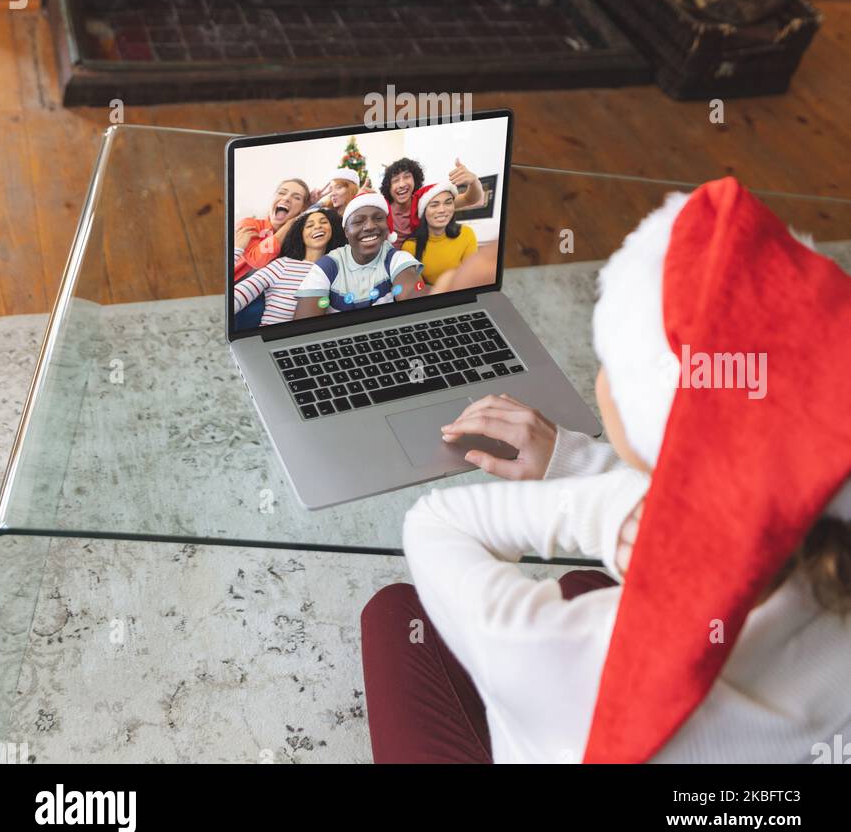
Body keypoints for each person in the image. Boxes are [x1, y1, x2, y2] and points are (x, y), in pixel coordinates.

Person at [361, 177, 851, 764]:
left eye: (610, 362)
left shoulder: (568, 650)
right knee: (578, 584)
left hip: (584, 704)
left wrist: (621, 509)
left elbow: (436, 523)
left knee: (395, 611)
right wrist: (573, 463)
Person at [294, 194, 423, 316]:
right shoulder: (328, 265)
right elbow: (304, 326)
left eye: (378, 218)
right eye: (358, 221)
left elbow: (415, 299)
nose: (370, 226)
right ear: (346, 232)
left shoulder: (397, 258)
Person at [232, 207, 345, 327]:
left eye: (323, 222)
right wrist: (237, 250)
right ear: (300, 235)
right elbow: (234, 299)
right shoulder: (282, 265)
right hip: (275, 342)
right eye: (309, 225)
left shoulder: (341, 268)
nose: (317, 226)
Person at [381, 156, 484, 248]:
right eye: (395, 180)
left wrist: (474, 181)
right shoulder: (381, 208)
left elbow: (470, 199)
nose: (401, 184)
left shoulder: (426, 201)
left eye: (407, 177)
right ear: (389, 187)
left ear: (415, 180)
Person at [233, 178, 310, 281]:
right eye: (282, 193)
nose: (286, 198)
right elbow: (257, 261)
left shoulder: (298, 238)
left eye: (296, 198)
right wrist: (290, 223)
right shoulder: (249, 224)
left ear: (302, 208)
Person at [402, 183, 478, 286]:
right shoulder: (410, 246)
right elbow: (418, 288)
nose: (442, 210)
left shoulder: (466, 233)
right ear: (423, 212)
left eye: (448, 203)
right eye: (434, 205)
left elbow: (471, 276)